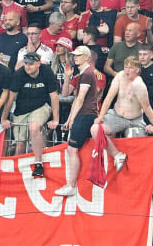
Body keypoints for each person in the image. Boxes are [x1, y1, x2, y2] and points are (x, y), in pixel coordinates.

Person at [1, 52, 60, 177]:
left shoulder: (47, 72)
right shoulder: (19, 74)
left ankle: (38, 164)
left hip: (42, 105)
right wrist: (4, 118)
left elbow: (54, 96)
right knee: (20, 143)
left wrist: (56, 119)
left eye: (31, 64)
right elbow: (11, 98)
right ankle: (17, 171)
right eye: (26, 63)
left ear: (38, 63)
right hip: (22, 109)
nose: (27, 67)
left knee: (33, 127)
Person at [55, 46, 103, 197]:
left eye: (79, 55)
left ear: (87, 58)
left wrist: (72, 119)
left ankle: (71, 185)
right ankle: (72, 184)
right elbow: (75, 98)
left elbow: (80, 99)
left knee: (72, 149)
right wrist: (71, 118)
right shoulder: (84, 73)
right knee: (73, 149)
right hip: (84, 114)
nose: (75, 57)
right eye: (74, 55)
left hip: (85, 114)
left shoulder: (87, 74)